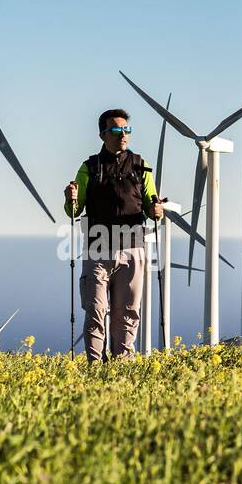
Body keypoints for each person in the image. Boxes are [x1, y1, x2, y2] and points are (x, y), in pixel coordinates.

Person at [64, 109, 164, 362]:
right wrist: (70, 199)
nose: (123, 135)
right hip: (97, 247)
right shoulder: (89, 168)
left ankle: (122, 365)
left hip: (133, 247)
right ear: (103, 135)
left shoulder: (142, 166)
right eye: (117, 130)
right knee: (96, 309)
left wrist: (157, 210)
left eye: (127, 130)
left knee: (128, 311)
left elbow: (153, 207)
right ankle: (95, 366)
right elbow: (74, 210)